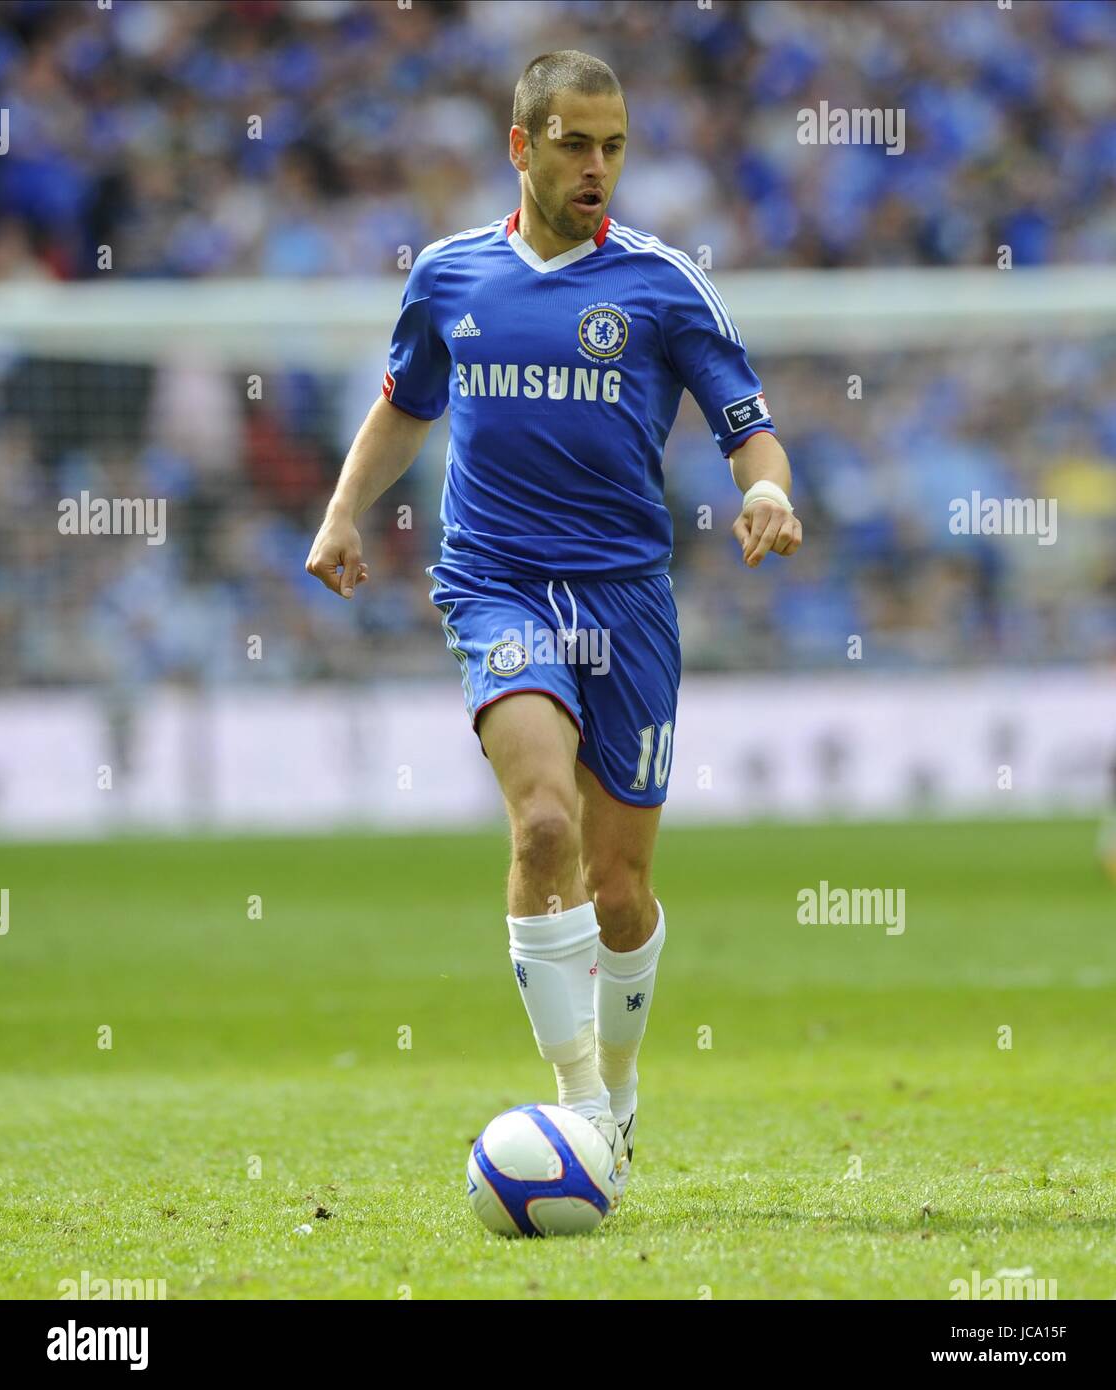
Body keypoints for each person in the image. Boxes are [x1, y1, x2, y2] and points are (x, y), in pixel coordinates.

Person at [306, 50, 802, 1207]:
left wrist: (766, 490)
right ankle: (578, 1103)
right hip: (496, 585)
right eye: (576, 143)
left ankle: (618, 1097)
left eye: (615, 145)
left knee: (621, 889)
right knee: (541, 829)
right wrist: (342, 513)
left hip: (627, 598)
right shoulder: (448, 277)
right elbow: (404, 405)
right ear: (521, 148)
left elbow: (752, 429)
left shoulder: (665, 284)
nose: (598, 166)